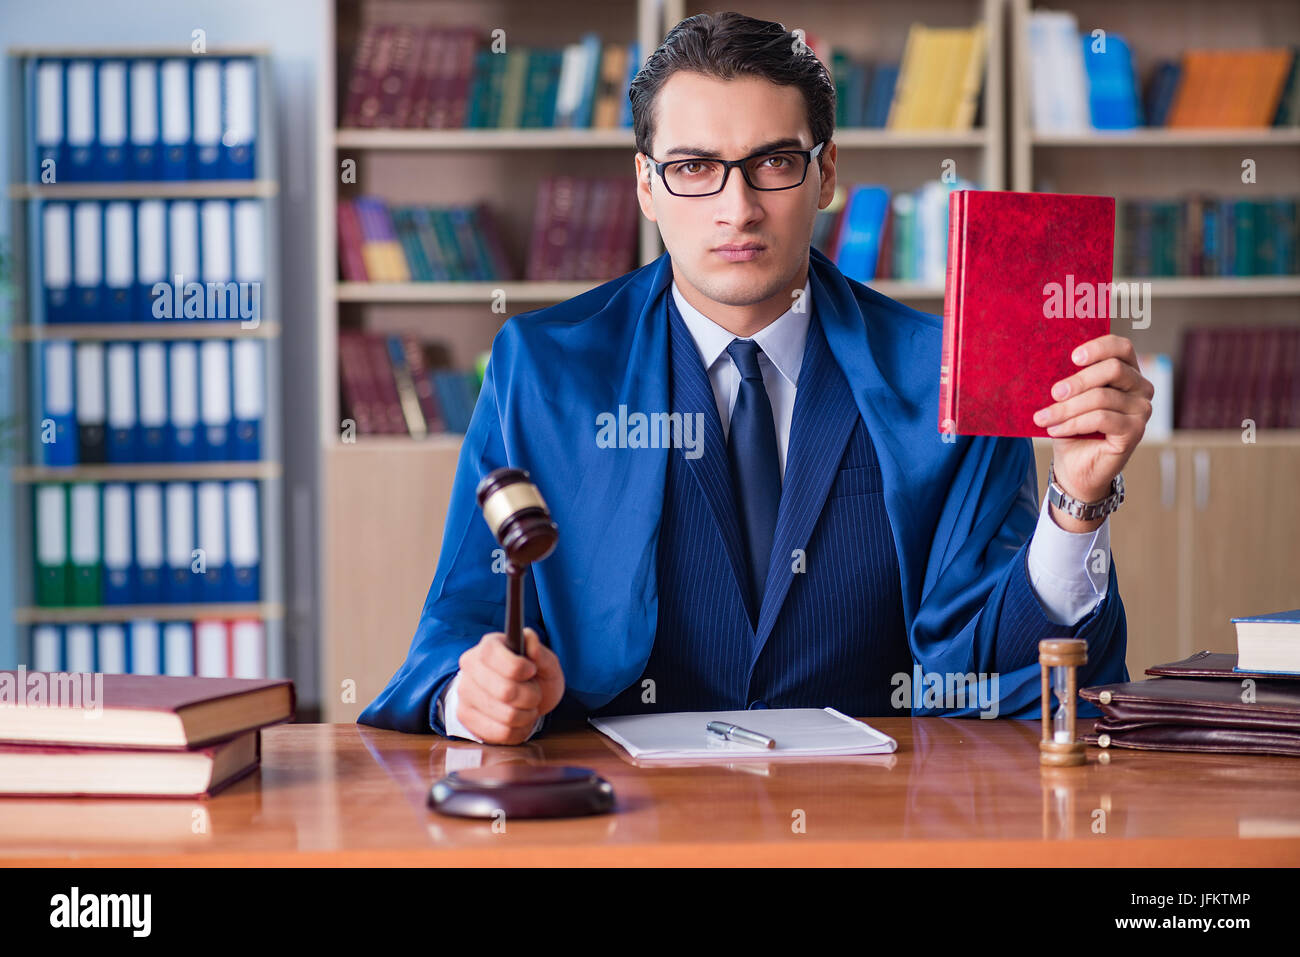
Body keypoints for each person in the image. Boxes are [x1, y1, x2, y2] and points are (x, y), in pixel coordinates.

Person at [358, 12, 1152, 743]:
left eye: (773, 162)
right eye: (695, 167)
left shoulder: (941, 375)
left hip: (883, 825)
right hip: (617, 823)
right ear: (646, 185)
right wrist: (475, 696)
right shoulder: (545, 367)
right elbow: (460, 621)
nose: (736, 208)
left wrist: (1077, 501)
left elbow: (1005, 677)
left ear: (826, 173)